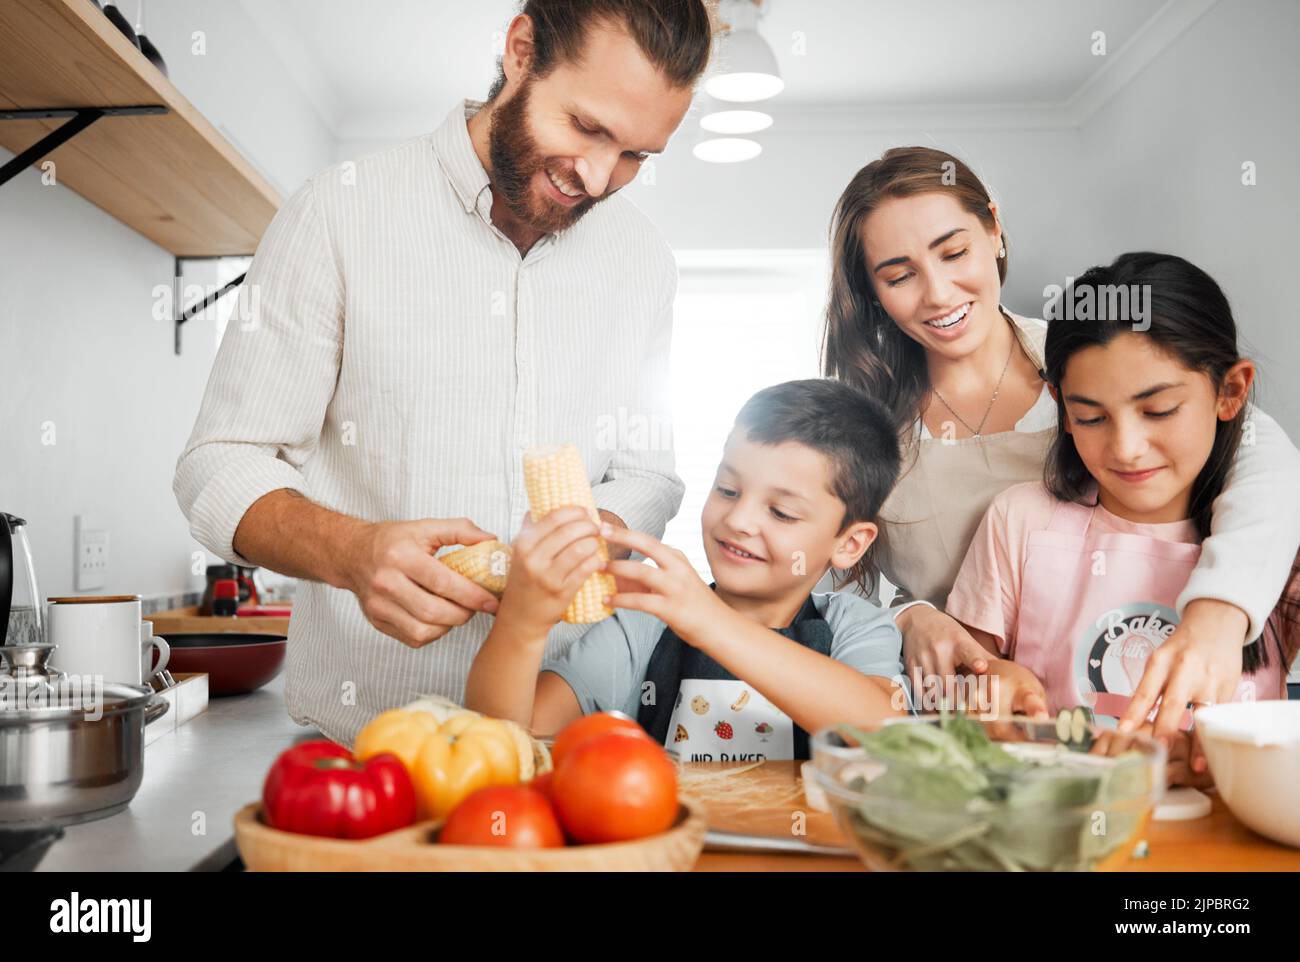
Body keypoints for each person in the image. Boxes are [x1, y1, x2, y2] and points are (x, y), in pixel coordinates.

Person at [173, 0, 714, 747]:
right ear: (522, 51)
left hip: (556, 747)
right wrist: (353, 551)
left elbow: (649, 474)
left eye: (635, 157)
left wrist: (596, 532)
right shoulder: (339, 214)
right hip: (363, 749)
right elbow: (219, 466)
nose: (596, 177)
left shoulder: (644, 260)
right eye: (588, 128)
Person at [821, 146, 1300, 738]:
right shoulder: (864, 425)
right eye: (898, 275)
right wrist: (909, 615)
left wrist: (1222, 611)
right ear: (870, 289)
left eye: (955, 252)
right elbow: (818, 566)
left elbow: (1258, 454)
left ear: (994, 229)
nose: (939, 293)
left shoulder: (1094, 355)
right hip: (956, 719)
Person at [945, 254, 1295, 757]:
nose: (1126, 447)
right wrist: (989, 689)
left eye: (1158, 410)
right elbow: (963, 684)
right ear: (1061, 407)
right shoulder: (1020, 520)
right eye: (1090, 417)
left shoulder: (1275, 535)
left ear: (1231, 390)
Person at [465, 380, 910, 761]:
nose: (738, 521)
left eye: (781, 512)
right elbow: (508, 740)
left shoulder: (856, 626)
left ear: (849, 543)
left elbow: (884, 736)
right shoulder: (643, 624)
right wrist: (522, 623)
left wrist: (711, 622)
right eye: (728, 489)